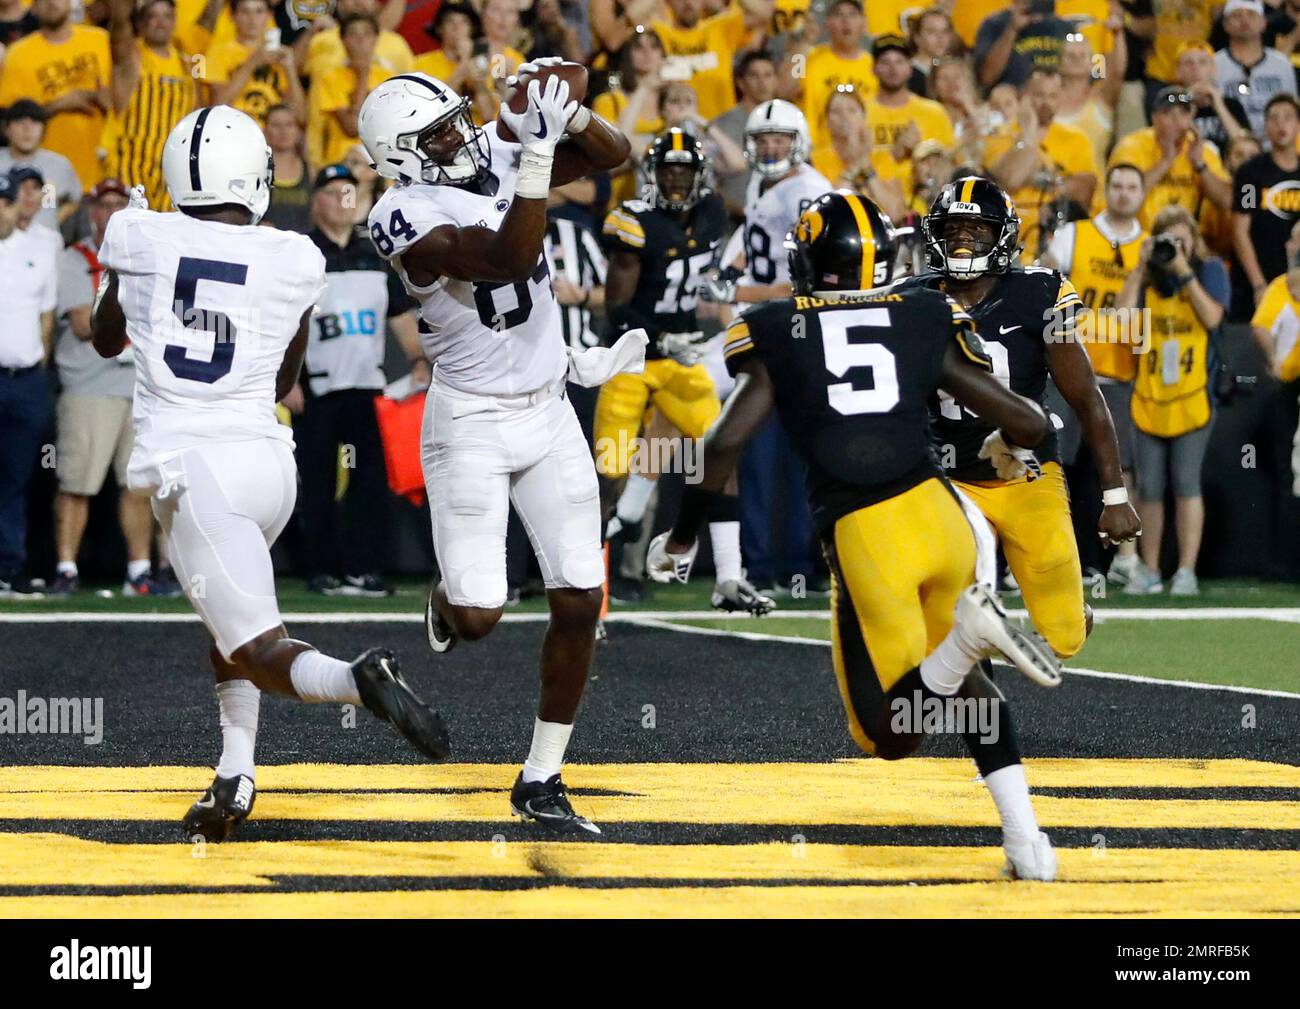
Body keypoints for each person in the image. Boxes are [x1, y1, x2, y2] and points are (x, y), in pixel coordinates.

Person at [646, 190, 1065, 881]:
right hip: (944, 514)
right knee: (964, 687)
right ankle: (1028, 843)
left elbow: (721, 445)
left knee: (887, 730)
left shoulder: (778, 323)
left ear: (811, 259)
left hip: (868, 529)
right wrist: (1010, 442)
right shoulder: (923, 310)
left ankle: (967, 638)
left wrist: (684, 538)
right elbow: (1027, 418)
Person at [90, 104, 450, 841]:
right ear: (254, 174)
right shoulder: (295, 254)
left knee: (258, 646)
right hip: (267, 460)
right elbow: (288, 367)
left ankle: (359, 679)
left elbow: (104, 340)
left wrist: (116, 265)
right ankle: (236, 768)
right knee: (229, 623)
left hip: (198, 472)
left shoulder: (138, 233)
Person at [358, 64, 631, 832]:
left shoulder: (503, 154)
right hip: (471, 418)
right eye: (436, 132)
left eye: (454, 119)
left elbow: (613, 155)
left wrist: (570, 117)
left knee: (580, 595)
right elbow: (507, 257)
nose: (458, 137)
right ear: (398, 156)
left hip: (548, 407)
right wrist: (539, 156)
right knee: (481, 614)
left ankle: (542, 776)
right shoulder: (400, 213)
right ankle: (446, 601)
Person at [904, 176, 1141, 659]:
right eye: (953, 230)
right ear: (934, 235)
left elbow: (1088, 401)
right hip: (949, 481)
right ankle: (963, 684)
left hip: (1026, 473)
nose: (963, 240)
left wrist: (1115, 495)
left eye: (977, 230)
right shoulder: (911, 299)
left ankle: (1065, 614)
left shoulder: (1039, 292)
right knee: (933, 620)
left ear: (1004, 236)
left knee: (1064, 638)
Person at [597, 128, 773, 614]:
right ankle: (589, 579)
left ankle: (731, 577)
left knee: (719, 453)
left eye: (684, 170)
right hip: (630, 358)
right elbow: (616, 308)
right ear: (651, 174)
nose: (675, 179)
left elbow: (748, 229)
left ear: (700, 175)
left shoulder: (715, 211)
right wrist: (660, 338)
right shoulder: (633, 223)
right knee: (609, 471)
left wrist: (728, 277)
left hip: (681, 360)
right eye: (667, 170)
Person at [286, 163, 425, 596]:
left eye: (350, 191)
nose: (344, 200)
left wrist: (419, 359)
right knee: (319, 482)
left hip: (368, 389)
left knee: (368, 482)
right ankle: (322, 569)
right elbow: (280, 322)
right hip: (317, 388)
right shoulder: (301, 256)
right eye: (332, 192)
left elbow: (401, 316)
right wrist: (285, 381)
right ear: (316, 203)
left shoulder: (376, 255)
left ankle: (365, 568)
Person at [51, 178, 176, 597]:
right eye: (103, 205)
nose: (110, 212)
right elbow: (86, 324)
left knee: (138, 484)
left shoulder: (151, 259)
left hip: (141, 384)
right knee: (76, 482)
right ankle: (66, 567)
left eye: (118, 204)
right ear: (92, 212)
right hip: (90, 384)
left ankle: (139, 570)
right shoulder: (75, 258)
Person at [1042, 163, 1148, 587]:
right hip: (1069, 366)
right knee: (1055, 465)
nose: (1123, 193)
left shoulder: (1149, 245)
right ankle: (1047, 553)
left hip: (1122, 369)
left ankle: (1122, 558)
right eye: (1117, 185)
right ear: (1107, 190)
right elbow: (1042, 281)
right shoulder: (1076, 235)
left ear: (1142, 193)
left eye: (1132, 186)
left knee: (1119, 468)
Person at [1115, 203, 1229, 596]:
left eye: (1183, 240)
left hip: (1193, 396)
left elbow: (1213, 318)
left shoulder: (1209, 271)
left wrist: (1183, 272)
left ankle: (1185, 570)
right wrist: (1140, 268)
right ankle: (1148, 568)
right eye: (1169, 242)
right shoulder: (1148, 277)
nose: (1175, 249)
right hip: (1148, 395)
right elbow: (1120, 319)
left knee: (1185, 484)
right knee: (1148, 487)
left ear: (1194, 241)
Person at [0, 168, 58, 598]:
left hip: (26, 381)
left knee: (20, 478)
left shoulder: (40, 251)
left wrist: (40, 373)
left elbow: (45, 319)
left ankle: (12, 566)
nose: (2, 210)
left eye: (5, 202)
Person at [984, 67, 1097, 263]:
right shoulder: (999, 134)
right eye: (1039, 95)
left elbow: (1084, 190)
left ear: (1061, 98)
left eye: (1052, 96)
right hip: (1006, 239)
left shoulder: (1077, 139)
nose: (1046, 102)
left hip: (1055, 241)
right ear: (1025, 97)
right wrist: (1029, 131)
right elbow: (1011, 179)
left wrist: (1038, 179)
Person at [0, 0, 110, 189]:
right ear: (32, 8)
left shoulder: (101, 40)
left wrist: (107, 99)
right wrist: (61, 103)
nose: (51, 3)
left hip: (104, 170)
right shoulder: (18, 54)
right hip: (46, 177)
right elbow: (11, 118)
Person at [103, 0, 197, 212]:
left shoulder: (186, 64)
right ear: (141, 23)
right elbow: (118, 26)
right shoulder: (131, 56)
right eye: (153, 16)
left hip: (170, 170)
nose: (160, 22)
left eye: (167, 16)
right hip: (130, 167)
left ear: (175, 21)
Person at [1108, 86, 1233, 230]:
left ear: (1191, 118)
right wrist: (1165, 161)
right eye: (1168, 113)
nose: (1176, 120)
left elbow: (1227, 201)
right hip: (1135, 233)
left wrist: (1200, 165)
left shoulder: (1201, 149)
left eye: (1183, 113)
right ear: (1154, 118)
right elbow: (1121, 198)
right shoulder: (1131, 146)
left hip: (1185, 236)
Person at [865, 34, 957, 213]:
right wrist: (893, 153)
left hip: (924, 206)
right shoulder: (859, 112)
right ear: (874, 69)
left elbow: (948, 165)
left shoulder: (934, 112)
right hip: (874, 204)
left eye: (899, 61)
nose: (893, 69)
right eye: (885, 62)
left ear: (910, 68)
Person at [1232, 94, 1300, 318]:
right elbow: (1241, 231)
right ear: (1266, 126)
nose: (1281, 124)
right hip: (1259, 278)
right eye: (1274, 118)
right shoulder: (1251, 174)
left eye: (1288, 117)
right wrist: (1259, 284)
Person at [791, 0, 876, 151]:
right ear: (827, 23)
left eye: (852, 14)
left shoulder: (876, 67)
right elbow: (785, 88)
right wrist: (804, 42)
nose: (846, 21)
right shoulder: (807, 57)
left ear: (864, 23)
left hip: (862, 155)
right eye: (838, 15)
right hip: (815, 156)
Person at [205, 0, 307, 126]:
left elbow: (300, 116)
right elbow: (219, 104)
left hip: (272, 134)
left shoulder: (279, 55)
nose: (252, 19)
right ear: (233, 16)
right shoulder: (218, 52)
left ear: (269, 16)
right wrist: (253, 62)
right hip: (234, 129)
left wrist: (290, 69)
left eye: (259, 11)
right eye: (245, 12)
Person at [309, 10, 389, 165]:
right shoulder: (330, 77)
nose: (360, 40)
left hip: (381, 164)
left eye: (366, 34)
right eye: (353, 34)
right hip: (342, 162)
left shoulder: (388, 78)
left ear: (375, 40)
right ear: (343, 40)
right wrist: (363, 76)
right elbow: (352, 127)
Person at [711, 49, 779, 219]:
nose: (762, 82)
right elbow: (711, 180)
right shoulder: (722, 125)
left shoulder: (787, 122)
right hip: (733, 220)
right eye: (754, 76)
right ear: (741, 83)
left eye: (768, 75)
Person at [1215, 0, 1296, 136]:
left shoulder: (1281, 65)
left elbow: (1292, 108)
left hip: (1275, 144)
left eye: (1251, 14)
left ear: (1263, 22)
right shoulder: (1215, 64)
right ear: (1225, 24)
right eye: (1237, 15)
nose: (1244, 20)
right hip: (1231, 146)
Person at [0, 99, 81, 232]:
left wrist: (55, 218)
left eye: (35, 122)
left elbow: (75, 199)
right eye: (20, 122)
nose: (27, 129)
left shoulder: (60, 164)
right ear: (7, 129)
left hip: (45, 244)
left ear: (44, 130)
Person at [975, 0, 1075, 89]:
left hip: (1055, 104)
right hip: (1010, 103)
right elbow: (987, 77)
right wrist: (1012, 29)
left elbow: (1077, 79)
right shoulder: (994, 25)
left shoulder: (1064, 28)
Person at [263, 102, 313, 232]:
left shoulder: (312, 172)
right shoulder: (255, 171)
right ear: (265, 131)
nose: (283, 131)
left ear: (298, 132)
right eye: (276, 125)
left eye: (289, 125)